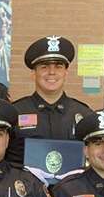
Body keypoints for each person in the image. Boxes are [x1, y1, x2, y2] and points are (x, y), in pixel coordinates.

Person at [8, 36, 94, 167]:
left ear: (66, 72)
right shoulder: (15, 112)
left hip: (73, 187)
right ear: (33, 73)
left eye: (58, 66)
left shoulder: (84, 114)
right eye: (44, 67)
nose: (52, 72)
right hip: (24, 186)